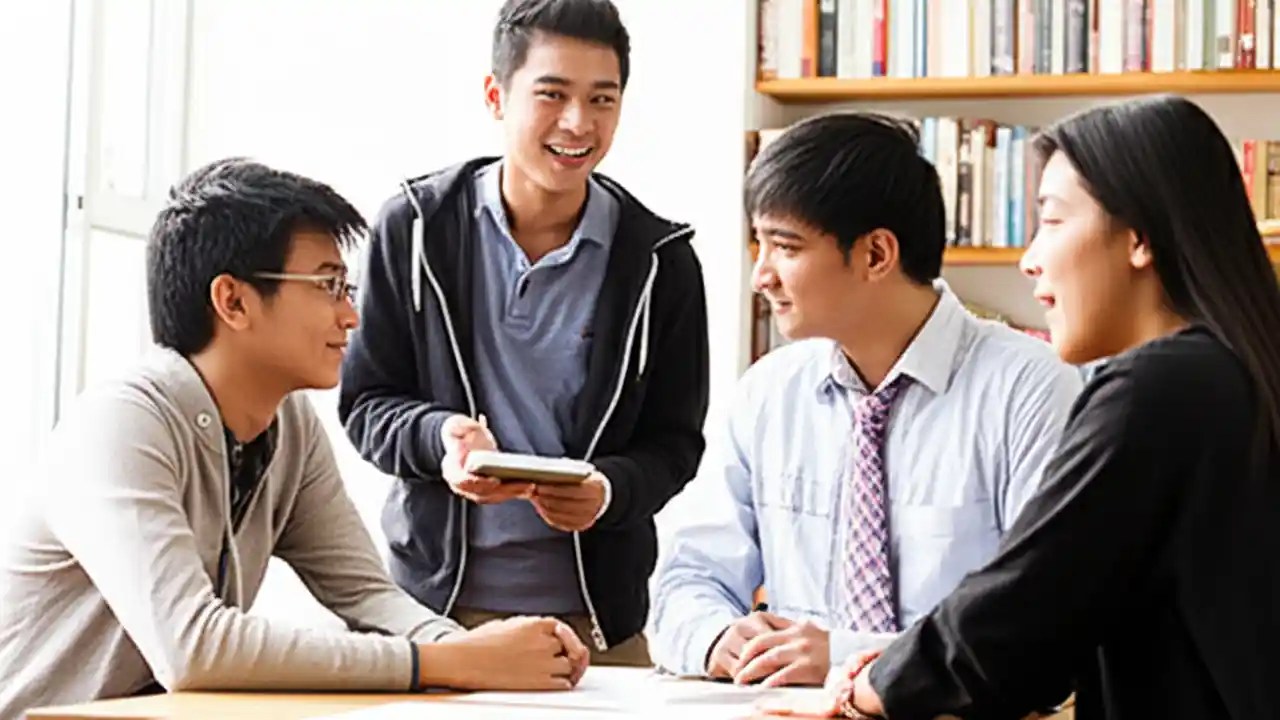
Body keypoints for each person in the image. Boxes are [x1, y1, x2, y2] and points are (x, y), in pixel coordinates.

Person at [0, 158, 589, 719]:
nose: (350, 317)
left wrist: (493, 649)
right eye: (328, 285)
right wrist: (443, 661)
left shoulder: (291, 426)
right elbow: (193, 647)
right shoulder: (122, 425)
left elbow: (366, 596)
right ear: (233, 301)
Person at [800, 94, 1280, 719]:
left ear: (1138, 238)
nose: (1029, 258)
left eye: (1051, 222)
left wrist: (862, 689)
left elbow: (1019, 620)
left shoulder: (1160, 390)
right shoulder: (1237, 373)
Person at [649, 112, 1083, 687]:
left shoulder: (1032, 389)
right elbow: (684, 578)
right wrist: (715, 638)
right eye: (760, 244)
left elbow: (1040, 621)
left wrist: (844, 657)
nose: (761, 275)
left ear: (877, 254)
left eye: (785, 247)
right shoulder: (768, 393)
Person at [338, 0, 708, 667]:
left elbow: (676, 444)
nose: (578, 123)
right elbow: (366, 405)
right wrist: (439, 438)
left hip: (598, 629)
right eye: (552, 94)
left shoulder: (661, 260)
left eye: (603, 99)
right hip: (432, 617)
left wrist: (608, 490)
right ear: (494, 95)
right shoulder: (415, 227)